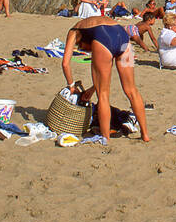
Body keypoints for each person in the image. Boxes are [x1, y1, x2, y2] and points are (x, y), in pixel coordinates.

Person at [61, 15, 149, 143]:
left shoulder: (74, 31)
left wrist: (71, 85)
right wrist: (91, 89)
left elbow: (65, 63)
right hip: (123, 37)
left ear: (80, 42)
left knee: (103, 94)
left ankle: (105, 137)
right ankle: (145, 134)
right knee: (132, 90)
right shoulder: (89, 24)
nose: (87, 50)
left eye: (82, 48)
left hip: (103, 37)